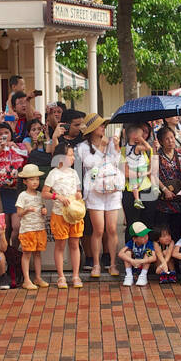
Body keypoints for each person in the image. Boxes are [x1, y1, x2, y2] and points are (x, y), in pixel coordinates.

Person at [78, 119, 123, 279]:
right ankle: (96, 264)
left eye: (104, 125)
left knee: (111, 229)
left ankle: (112, 263)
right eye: (101, 125)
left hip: (112, 190)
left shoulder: (111, 142)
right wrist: (103, 147)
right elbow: (90, 164)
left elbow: (116, 163)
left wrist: (116, 147)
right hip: (94, 191)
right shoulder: (82, 147)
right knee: (98, 230)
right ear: (92, 129)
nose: (104, 128)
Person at [44, 148, 84, 288]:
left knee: (74, 243)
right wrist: (58, 197)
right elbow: (45, 193)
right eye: (70, 155)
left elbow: (78, 191)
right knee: (60, 245)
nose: (73, 158)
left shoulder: (74, 173)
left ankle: (75, 275)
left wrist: (78, 195)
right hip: (60, 213)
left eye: (73, 155)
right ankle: (61, 276)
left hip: (74, 213)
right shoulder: (53, 174)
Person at [15, 163, 49, 291]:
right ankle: (27, 279)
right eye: (31, 179)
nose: (35, 182)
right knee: (27, 254)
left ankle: (38, 277)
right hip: (28, 229)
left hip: (39, 227)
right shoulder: (22, 195)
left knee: (38, 253)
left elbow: (43, 208)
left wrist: (44, 211)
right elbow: (18, 213)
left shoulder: (40, 194)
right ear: (25, 181)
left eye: (36, 179)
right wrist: (26, 210)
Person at [118, 221, 156, 286]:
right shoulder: (131, 243)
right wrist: (132, 261)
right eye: (142, 237)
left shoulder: (148, 244)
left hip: (143, 265)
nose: (146, 238)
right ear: (134, 239)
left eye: (146, 235)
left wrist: (141, 261)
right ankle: (129, 275)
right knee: (127, 253)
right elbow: (120, 253)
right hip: (133, 265)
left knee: (148, 254)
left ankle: (143, 276)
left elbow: (153, 257)